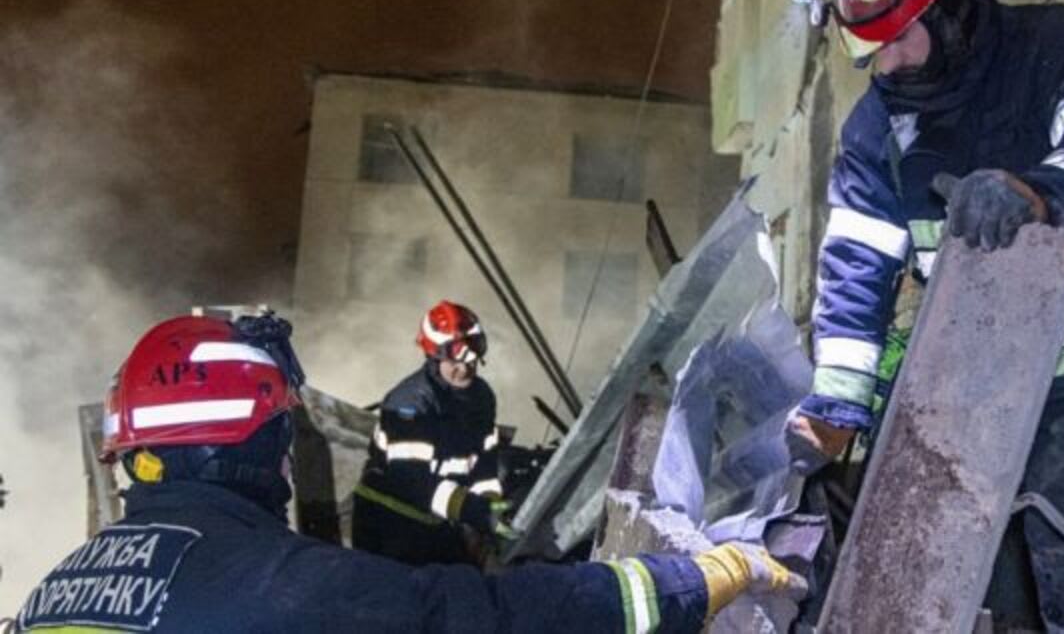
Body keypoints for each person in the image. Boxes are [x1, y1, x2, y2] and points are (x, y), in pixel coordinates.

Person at [784, 0, 1064, 632]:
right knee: (955, 588)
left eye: (898, 36)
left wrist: (1040, 194)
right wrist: (834, 408)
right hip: (971, 383)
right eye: (866, 45)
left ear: (951, 4)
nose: (885, 63)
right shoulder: (874, 131)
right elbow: (857, 274)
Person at [16, 312, 801, 633]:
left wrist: (489, 513)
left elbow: (478, 471)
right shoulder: (277, 585)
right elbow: (477, 618)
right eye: (277, 434)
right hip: (402, 538)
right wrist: (694, 579)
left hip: (439, 537)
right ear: (243, 447)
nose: (289, 459)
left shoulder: (53, 591)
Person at [352, 301, 507, 567]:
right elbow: (412, 482)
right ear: (434, 356)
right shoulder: (410, 404)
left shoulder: (481, 397)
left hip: (438, 519)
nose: (465, 367)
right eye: (455, 358)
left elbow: (484, 466)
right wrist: (477, 513)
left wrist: (492, 507)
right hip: (389, 522)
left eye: (472, 354)